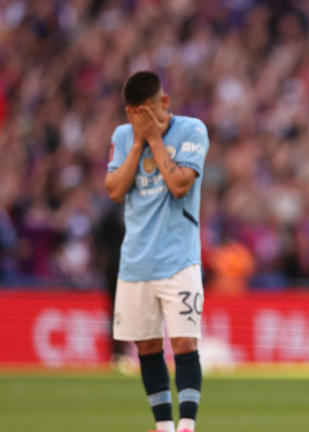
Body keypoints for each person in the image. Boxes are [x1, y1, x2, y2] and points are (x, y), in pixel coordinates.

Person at [105, 71, 209, 432]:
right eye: (135, 114)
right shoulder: (121, 137)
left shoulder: (192, 130)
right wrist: (137, 144)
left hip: (179, 260)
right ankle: (164, 426)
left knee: (183, 342)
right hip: (135, 263)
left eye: (148, 112)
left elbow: (180, 184)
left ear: (163, 103)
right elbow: (115, 190)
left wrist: (154, 139)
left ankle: (187, 426)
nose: (143, 120)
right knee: (147, 347)